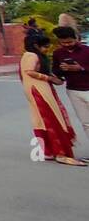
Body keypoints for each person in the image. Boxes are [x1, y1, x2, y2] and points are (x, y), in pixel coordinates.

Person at [20, 31, 85, 166]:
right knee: (51, 119)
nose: (47, 48)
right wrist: (49, 78)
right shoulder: (31, 55)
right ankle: (60, 152)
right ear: (36, 45)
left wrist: (55, 79)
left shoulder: (37, 55)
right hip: (38, 90)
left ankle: (50, 151)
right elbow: (29, 72)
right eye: (45, 46)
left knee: (46, 119)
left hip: (42, 89)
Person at [52, 25, 89, 139]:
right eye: (64, 42)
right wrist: (61, 71)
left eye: (70, 42)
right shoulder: (58, 53)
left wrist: (80, 68)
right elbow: (56, 71)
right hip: (73, 90)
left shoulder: (87, 51)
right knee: (86, 123)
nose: (67, 44)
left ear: (76, 38)